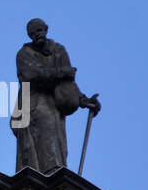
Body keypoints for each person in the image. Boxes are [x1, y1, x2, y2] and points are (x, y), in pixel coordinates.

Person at [11, 18, 101, 173]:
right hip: (31, 104)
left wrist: (82, 100)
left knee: (57, 143)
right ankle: (41, 178)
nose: (36, 35)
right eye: (32, 33)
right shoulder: (24, 54)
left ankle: (55, 177)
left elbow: (68, 84)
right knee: (37, 144)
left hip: (53, 105)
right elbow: (33, 76)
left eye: (39, 30)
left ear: (46, 29)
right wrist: (62, 73)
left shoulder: (58, 50)